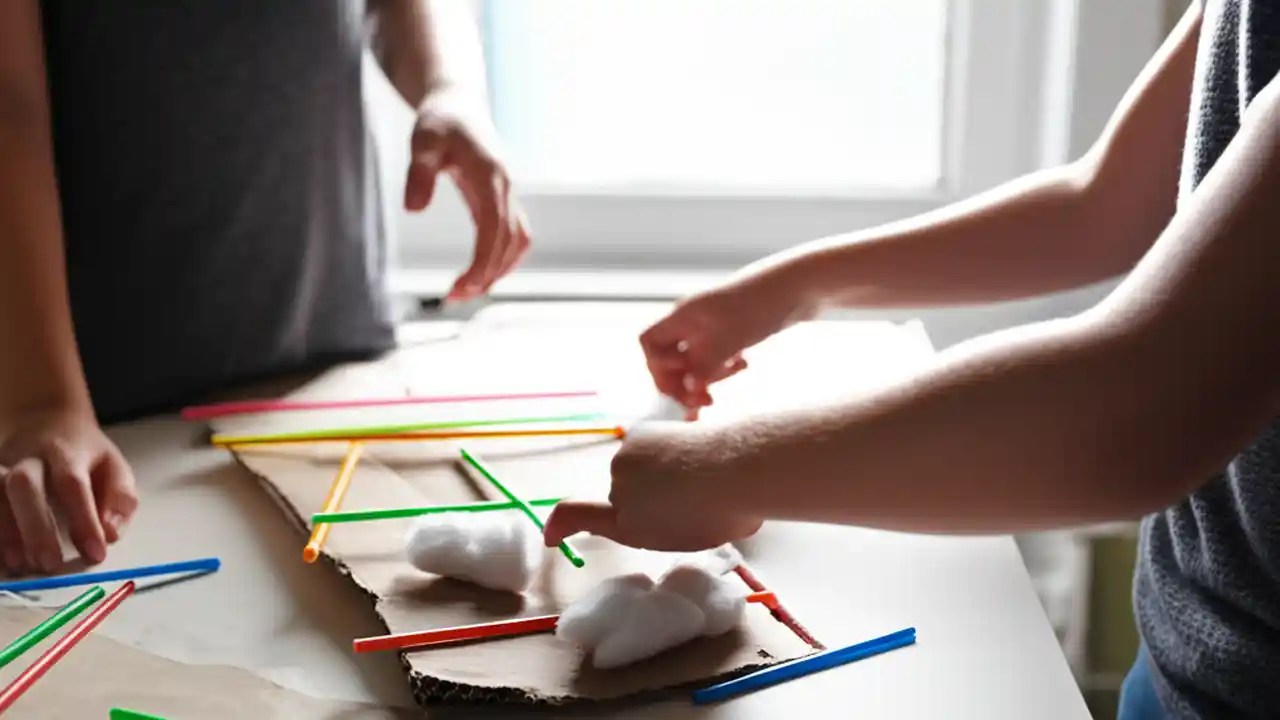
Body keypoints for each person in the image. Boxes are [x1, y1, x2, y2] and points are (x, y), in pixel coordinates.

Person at [543, 3, 1280, 717]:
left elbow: (1139, 411)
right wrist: (797, 287)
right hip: (1188, 660)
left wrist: (725, 469)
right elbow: (1109, 203)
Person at [0, 1, 526, 574]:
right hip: (106, 420)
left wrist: (451, 89)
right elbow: (11, 100)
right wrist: (44, 403)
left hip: (333, 359)